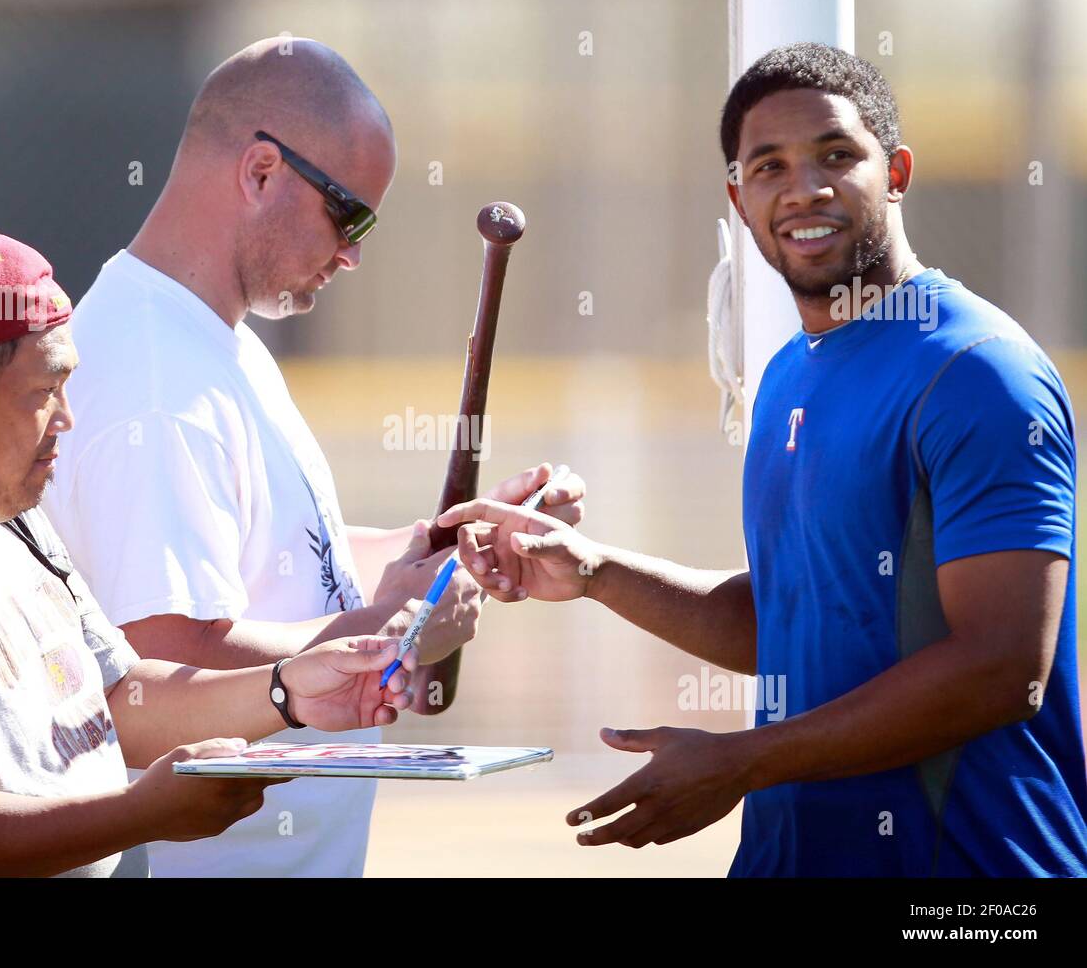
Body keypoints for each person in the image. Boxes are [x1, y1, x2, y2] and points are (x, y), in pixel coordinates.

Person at [438, 43, 1086, 877]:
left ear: (897, 172)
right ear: (737, 197)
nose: (805, 189)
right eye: (769, 166)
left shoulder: (979, 373)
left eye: (837, 156)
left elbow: (1002, 670)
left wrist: (744, 760)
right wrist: (593, 571)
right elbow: (787, 621)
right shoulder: (787, 374)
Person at [43, 36, 586, 877]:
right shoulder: (156, 382)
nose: (354, 253)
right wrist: (392, 629)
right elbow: (159, 665)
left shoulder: (214, 341)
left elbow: (296, 563)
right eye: (349, 216)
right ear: (261, 172)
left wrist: (448, 550)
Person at [0, 229, 416, 877]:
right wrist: (145, 812)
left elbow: (113, 697)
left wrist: (287, 692)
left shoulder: (2, 503)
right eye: (44, 391)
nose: (67, 417)